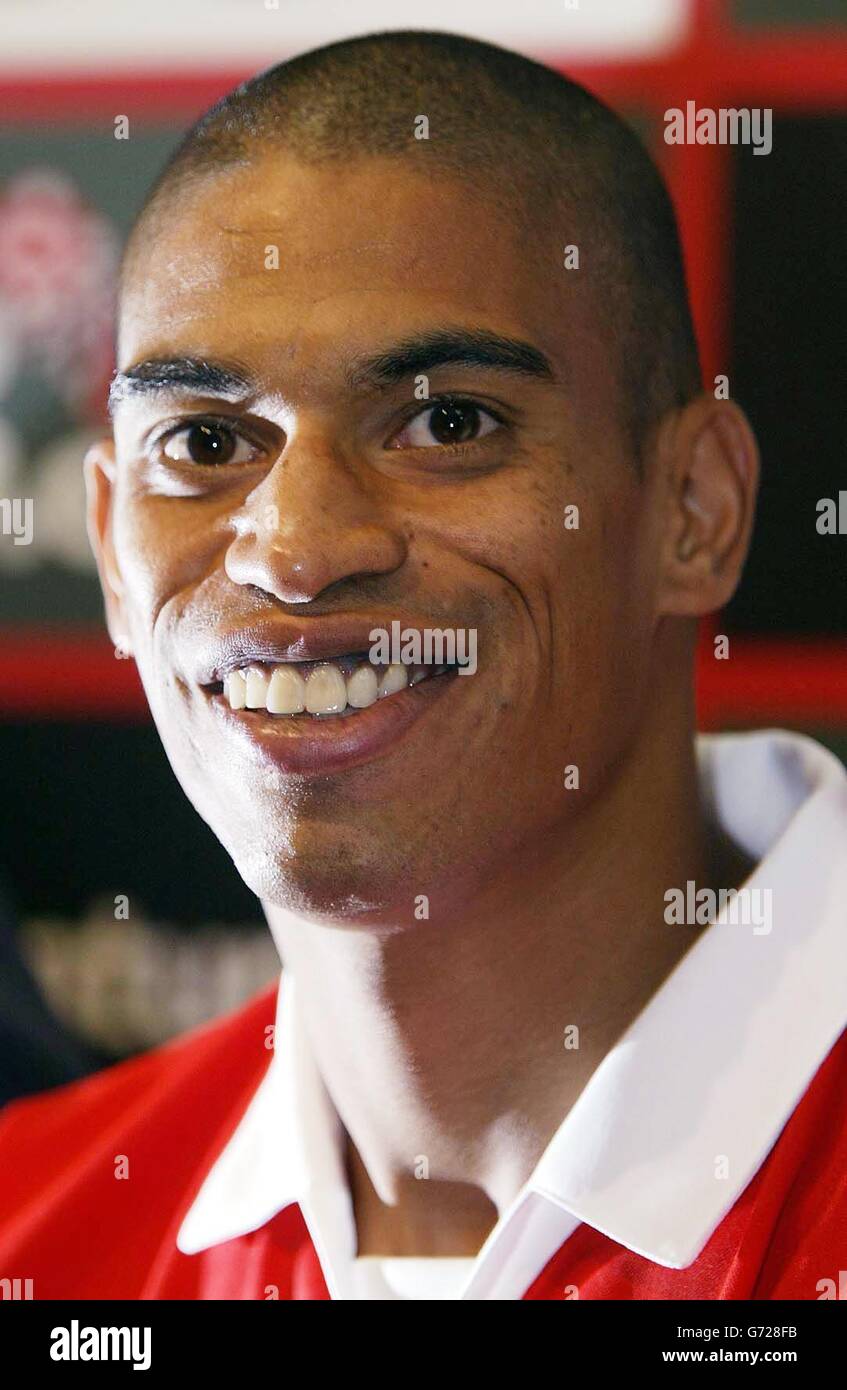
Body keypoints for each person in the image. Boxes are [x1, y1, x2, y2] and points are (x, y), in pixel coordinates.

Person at [0, 30, 844, 1301]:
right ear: (114, 552)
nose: (294, 549)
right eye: (208, 440)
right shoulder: (34, 1232)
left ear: (694, 510)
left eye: (447, 422)